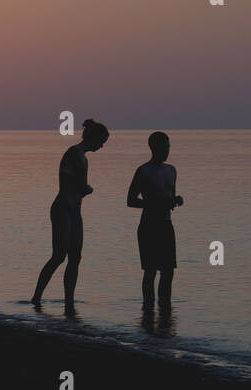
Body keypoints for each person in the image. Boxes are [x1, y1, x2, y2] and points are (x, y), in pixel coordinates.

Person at [31, 119, 109, 317]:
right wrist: (89, 189)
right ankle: (37, 297)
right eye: (102, 141)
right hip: (63, 209)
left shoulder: (80, 155)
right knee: (59, 256)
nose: (102, 146)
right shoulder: (76, 155)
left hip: (74, 210)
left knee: (75, 256)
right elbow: (81, 187)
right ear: (93, 137)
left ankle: (69, 301)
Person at [127, 131, 183, 310]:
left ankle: (165, 308)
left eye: (168, 146)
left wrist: (176, 201)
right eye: (164, 147)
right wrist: (154, 204)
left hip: (166, 225)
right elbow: (131, 201)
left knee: (168, 272)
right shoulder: (143, 171)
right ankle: (148, 308)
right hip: (149, 226)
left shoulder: (171, 170)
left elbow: (170, 198)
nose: (168, 150)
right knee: (150, 272)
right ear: (154, 148)